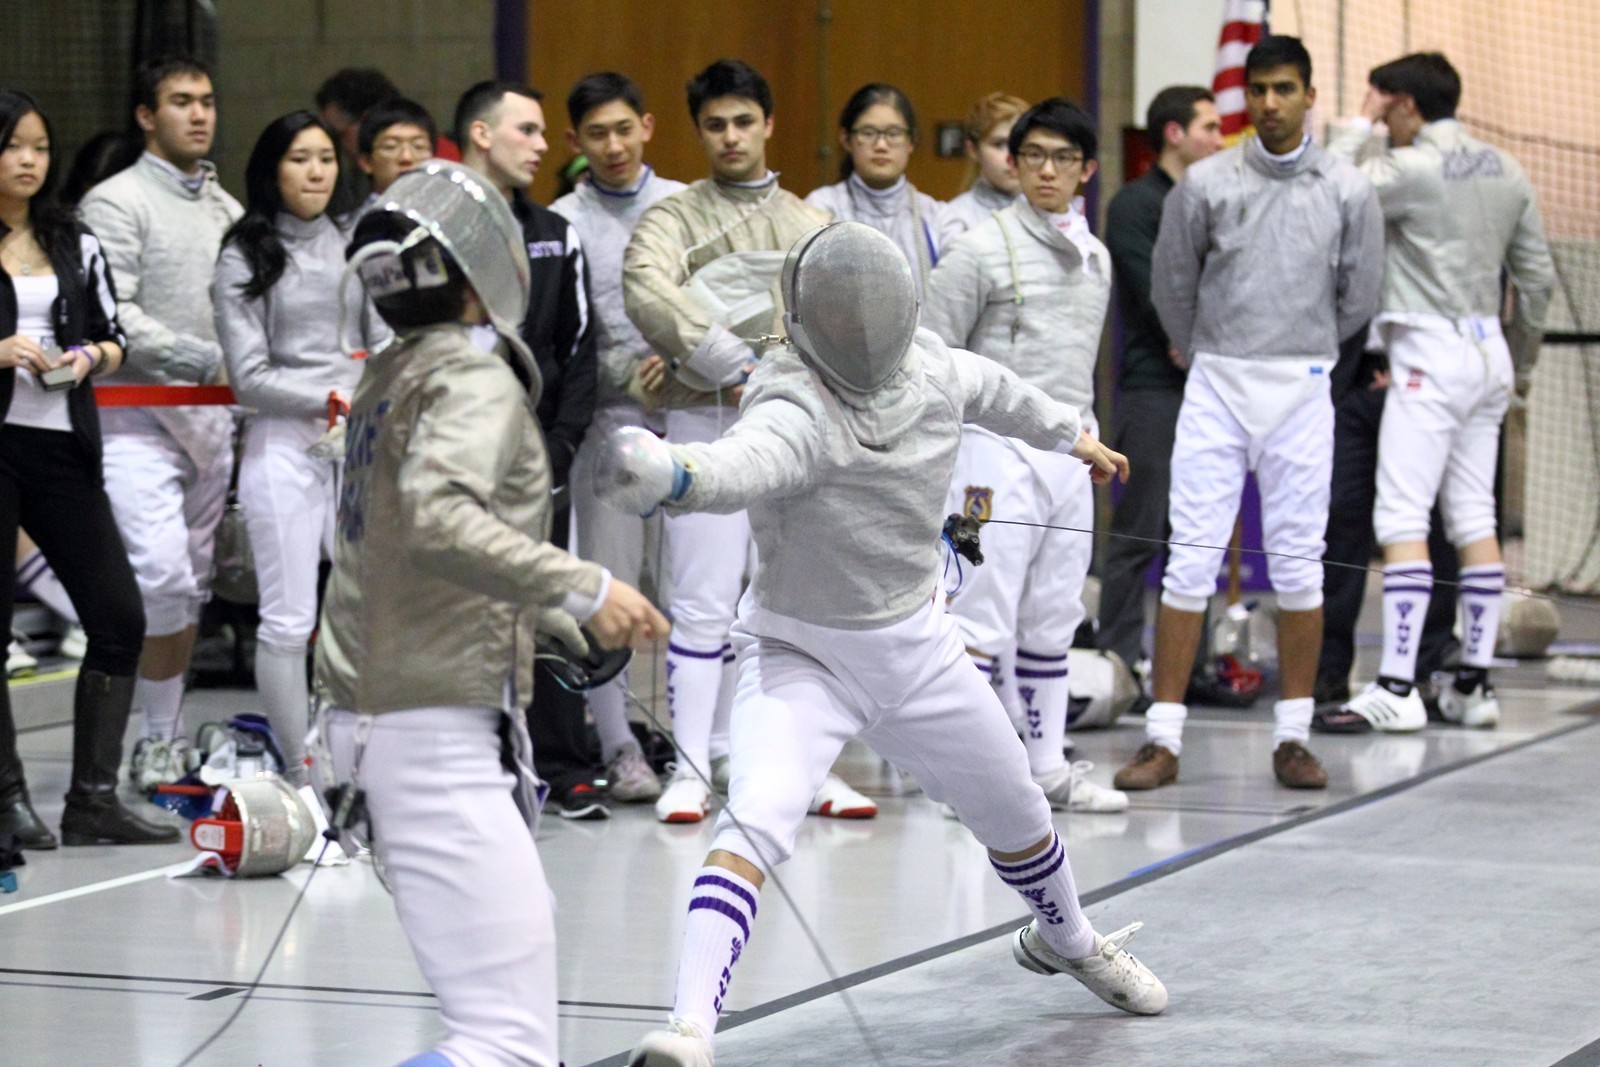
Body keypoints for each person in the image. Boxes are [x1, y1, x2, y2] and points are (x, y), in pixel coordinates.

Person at [599, 223, 1165, 1067]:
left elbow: (999, 388)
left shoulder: (934, 366)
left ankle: (1069, 939)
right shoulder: (791, 403)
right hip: (800, 657)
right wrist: (676, 474)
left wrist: (1068, 434)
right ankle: (688, 1030)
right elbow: (736, 467)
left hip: (918, 649)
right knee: (757, 816)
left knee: (1016, 805)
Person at [315, 160, 669, 1067]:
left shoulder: (390, 375)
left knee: (506, 1005)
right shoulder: (467, 382)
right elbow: (438, 521)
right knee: (505, 1044)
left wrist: (547, 618)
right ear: (480, 274)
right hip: (428, 727)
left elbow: (397, 544)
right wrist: (580, 586)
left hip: (380, 716)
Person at [1114, 36, 1383, 791]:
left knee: (1300, 561)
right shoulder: (1204, 183)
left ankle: (1293, 734)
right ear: (1245, 98)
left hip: (1302, 384)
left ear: (1308, 97)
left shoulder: (1348, 188)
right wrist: (1205, 350)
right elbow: (1172, 286)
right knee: (1191, 554)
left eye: (1284, 89)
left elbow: (1360, 295)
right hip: (1218, 381)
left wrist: (1311, 355)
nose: (1269, 103)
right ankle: (1162, 738)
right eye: (1258, 89)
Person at [624, 59, 876, 824]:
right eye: (715, 124)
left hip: (799, 430)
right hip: (708, 419)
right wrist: (734, 365)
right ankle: (693, 768)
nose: (730, 137)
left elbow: (852, 312)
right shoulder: (671, 217)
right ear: (697, 131)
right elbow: (646, 287)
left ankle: (803, 768)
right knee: (701, 600)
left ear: (768, 124)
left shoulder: (814, 224)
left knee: (797, 602)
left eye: (743, 121)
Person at [1314, 52, 1554, 732]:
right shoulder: (1507, 168)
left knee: (1401, 518)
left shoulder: (1409, 168)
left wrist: (1354, 127)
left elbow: (1332, 191)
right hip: (1490, 353)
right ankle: (1471, 683)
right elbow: (1534, 280)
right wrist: (1522, 364)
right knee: (1474, 516)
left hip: (1426, 352)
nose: (1381, 115)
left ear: (1407, 106)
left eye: (1384, 103)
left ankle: (1394, 684)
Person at [921, 97, 1126, 814]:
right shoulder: (980, 247)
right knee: (975, 614)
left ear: (1087, 170)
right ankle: (963, 777)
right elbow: (932, 352)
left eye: (1062, 159)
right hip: (990, 461)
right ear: (1013, 161)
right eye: (1032, 155)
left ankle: (1045, 766)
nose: (1045, 170)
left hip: (1071, 454)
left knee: (1053, 614)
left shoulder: (1096, 256)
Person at [0, 88, 175, 848]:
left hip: (62, 444)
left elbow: (113, 337)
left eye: (39, 146)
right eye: (13, 146)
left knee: (119, 617)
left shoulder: (73, 237)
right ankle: (6, 799)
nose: (30, 160)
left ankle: (92, 800)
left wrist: (83, 359)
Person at [79, 56, 244, 791]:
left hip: (210, 425)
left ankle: (164, 742)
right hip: (135, 419)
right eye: (182, 102)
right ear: (148, 116)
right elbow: (113, 311)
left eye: (206, 101)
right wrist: (203, 355)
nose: (199, 114)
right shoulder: (113, 203)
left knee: (193, 588)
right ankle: (148, 740)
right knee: (162, 577)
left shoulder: (227, 209)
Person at [455, 79, 604, 817]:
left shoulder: (555, 231)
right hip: (453, 461)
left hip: (538, 457)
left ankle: (563, 763)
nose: (545, 145)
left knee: (545, 602)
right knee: (464, 608)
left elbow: (580, 350)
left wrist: (560, 446)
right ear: (482, 135)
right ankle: (470, 765)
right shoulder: (433, 231)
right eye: (530, 130)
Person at [213, 111, 373, 786]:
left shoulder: (358, 242)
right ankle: (304, 769)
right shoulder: (243, 252)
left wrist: (363, 402)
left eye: (326, 158)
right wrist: (332, 397)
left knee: (365, 607)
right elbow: (250, 377)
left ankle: (359, 761)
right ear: (272, 169)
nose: (315, 171)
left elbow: (383, 342)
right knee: (288, 617)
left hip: (360, 443)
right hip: (285, 445)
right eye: (300, 159)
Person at [552, 72, 685, 805]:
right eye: (596, 134)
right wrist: (626, 379)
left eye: (623, 130)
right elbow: (564, 338)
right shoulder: (561, 221)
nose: (612, 146)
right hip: (609, 426)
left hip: (692, 424)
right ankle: (619, 746)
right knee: (610, 588)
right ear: (575, 142)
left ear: (648, 126)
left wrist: (685, 366)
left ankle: (698, 741)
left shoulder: (684, 207)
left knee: (695, 594)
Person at [1094, 86, 1224, 703]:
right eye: (1208, 126)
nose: (1219, 138)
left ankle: (1186, 667)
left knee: (1195, 534)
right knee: (1140, 528)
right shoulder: (1135, 206)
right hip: (1155, 387)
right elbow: (1155, 291)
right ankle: (1119, 660)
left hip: (1211, 386)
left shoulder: (1210, 198)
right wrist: (1188, 338)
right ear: (1173, 133)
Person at [804, 83, 943, 297]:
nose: (881, 145)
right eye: (868, 133)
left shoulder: (934, 215)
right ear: (846, 140)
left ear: (911, 142)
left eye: (894, 133)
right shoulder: (821, 208)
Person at [938, 92, 1028, 246]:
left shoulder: (1047, 212)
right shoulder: (954, 219)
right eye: (999, 144)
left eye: (1020, 144)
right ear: (973, 150)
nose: (1012, 157)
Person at [314, 67, 400, 214]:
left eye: (339, 134)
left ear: (368, 121)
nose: (336, 146)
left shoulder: (436, 164)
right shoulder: (358, 177)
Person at [356, 96, 437, 204]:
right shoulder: (355, 221)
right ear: (366, 162)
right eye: (391, 146)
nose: (406, 157)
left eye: (419, 146)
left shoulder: (450, 218)